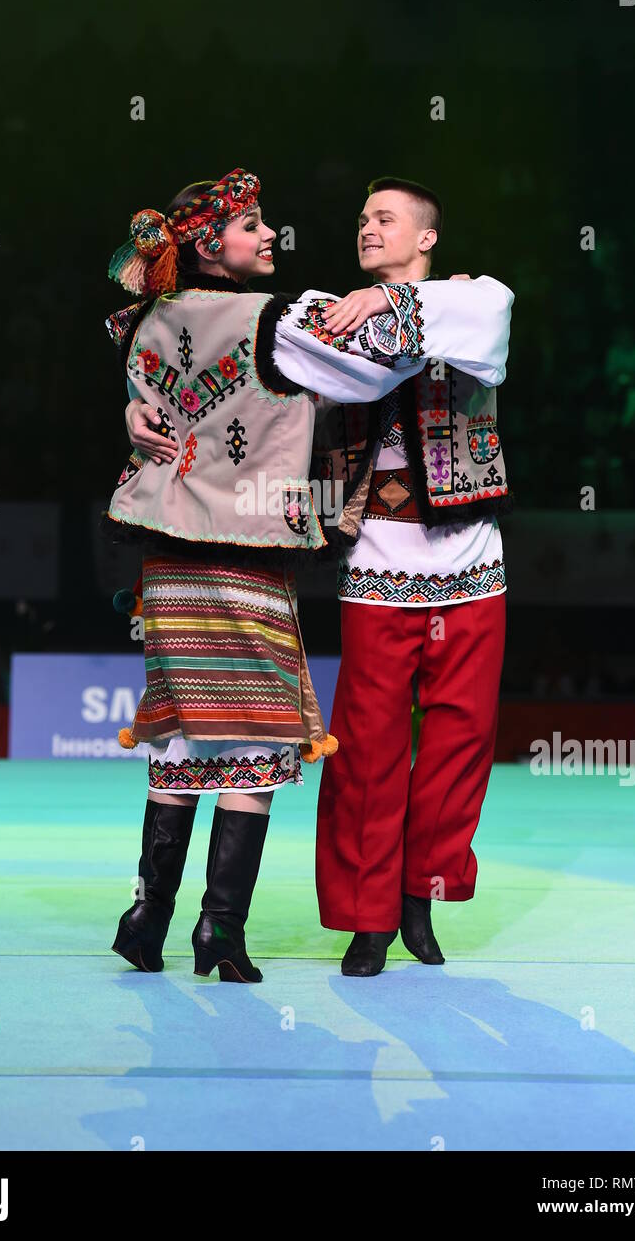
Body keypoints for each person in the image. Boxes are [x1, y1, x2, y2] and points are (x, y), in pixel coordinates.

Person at [116, 170, 514, 979]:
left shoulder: (472, 299)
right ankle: (342, 921)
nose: (365, 228)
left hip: (464, 556)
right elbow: (356, 365)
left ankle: (414, 896)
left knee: (455, 744)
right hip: (353, 557)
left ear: (425, 237)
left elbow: (484, 311)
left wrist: (400, 303)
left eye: (385, 218)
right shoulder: (308, 318)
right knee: (342, 746)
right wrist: (388, 309)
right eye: (362, 218)